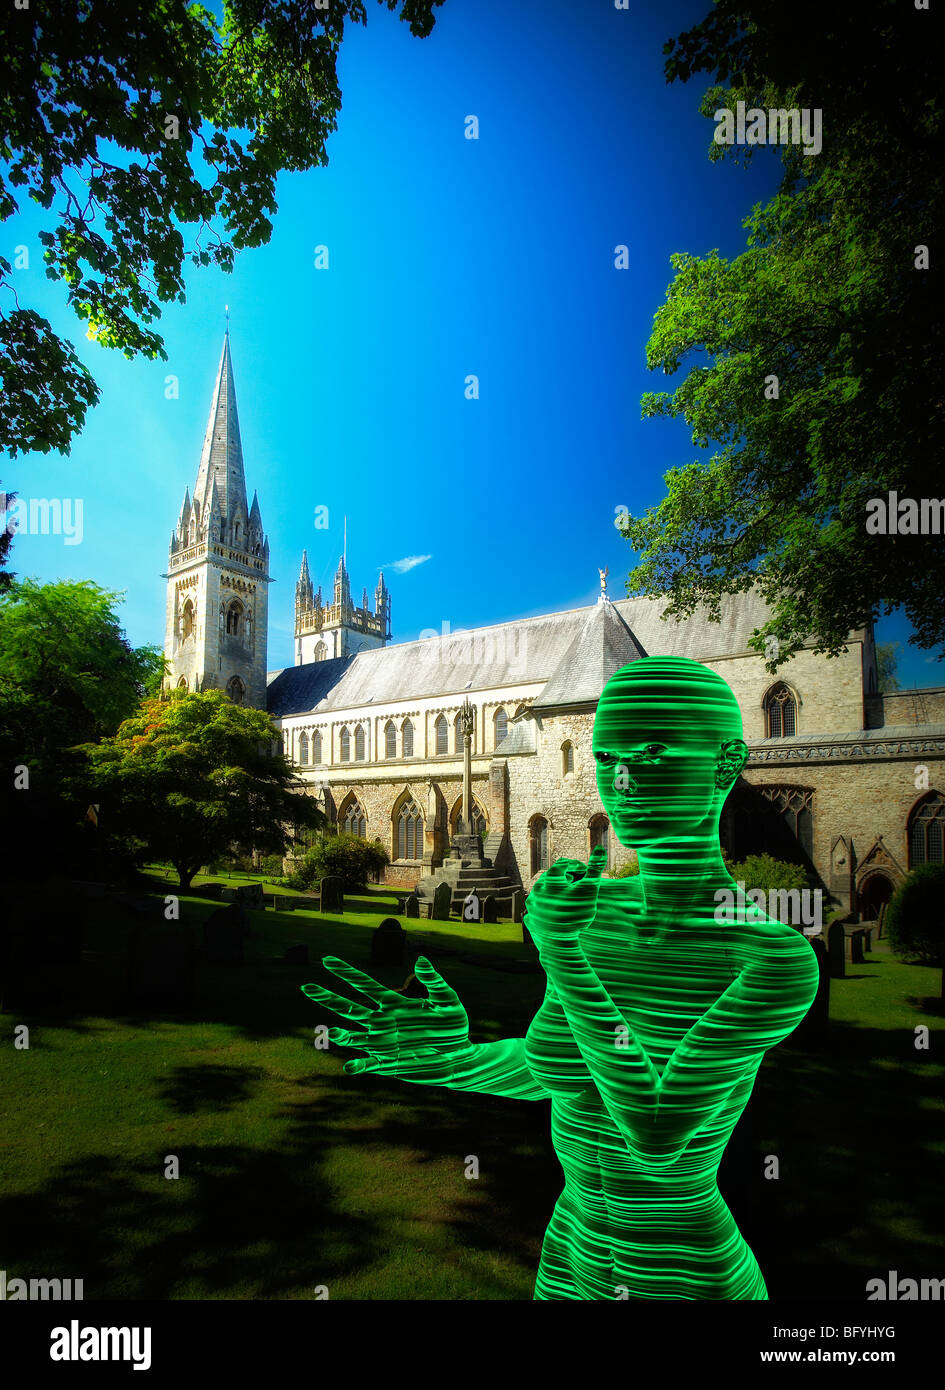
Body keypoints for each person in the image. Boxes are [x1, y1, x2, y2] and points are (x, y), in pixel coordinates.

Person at [302, 657, 819, 1300]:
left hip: (677, 1272)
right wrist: (447, 1059)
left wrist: (564, 955)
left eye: (652, 751)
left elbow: (655, 1129)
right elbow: (556, 1070)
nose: (621, 779)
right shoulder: (594, 917)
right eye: (604, 756)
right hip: (567, 1255)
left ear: (724, 763)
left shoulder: (769, 959)